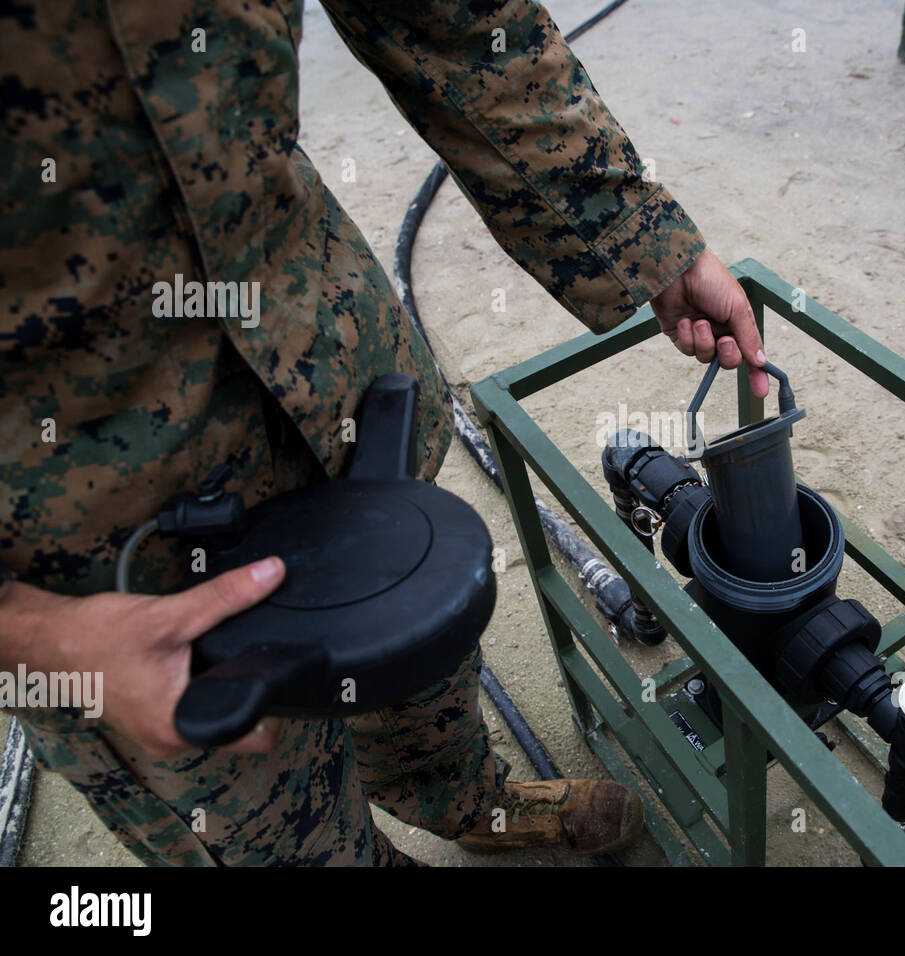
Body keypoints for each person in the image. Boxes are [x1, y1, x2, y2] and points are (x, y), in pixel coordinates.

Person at [0, 0, 767, 864]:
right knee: (270, 827)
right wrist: (35, 633)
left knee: (417, 657)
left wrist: (643, 239)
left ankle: (468, 802)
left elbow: (460, 22)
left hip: (323, 374)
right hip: (95, 537)